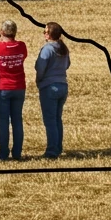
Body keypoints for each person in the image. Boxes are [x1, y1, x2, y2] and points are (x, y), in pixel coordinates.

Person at [0, 19, 28, 161]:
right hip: (19, 87)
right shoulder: (21, 46)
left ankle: (3, 154)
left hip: (2, 87)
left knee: (3, 122)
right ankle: (17, 153)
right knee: (17, 120)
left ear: (2, 32)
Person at [35, 22, 71, 159]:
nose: (44, 34)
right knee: (57, 119)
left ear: (50, 34)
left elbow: (40, 68)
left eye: (46, 32)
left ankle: (51, 151)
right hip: (63, 84)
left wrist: (39, 80)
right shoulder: (64, 48)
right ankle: (58, 147)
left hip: (49, 86)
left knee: (49, 120)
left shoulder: (47, 49)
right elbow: (67, 64)